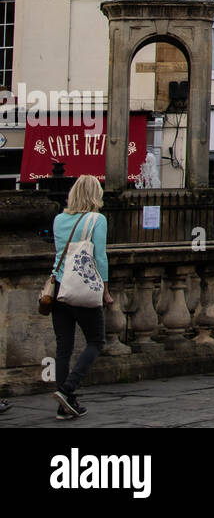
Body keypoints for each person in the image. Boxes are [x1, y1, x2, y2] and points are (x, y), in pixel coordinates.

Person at [50, 174, 110, 420]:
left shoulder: (59, 219)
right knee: (96, 341)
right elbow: (100, 257)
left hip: (58, 288)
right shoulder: (98, 219)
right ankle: (67, 389)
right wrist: (105, 289)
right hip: (82, 287)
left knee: (63, 347)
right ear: (95, 194)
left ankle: (64, 405)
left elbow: (60, 252)